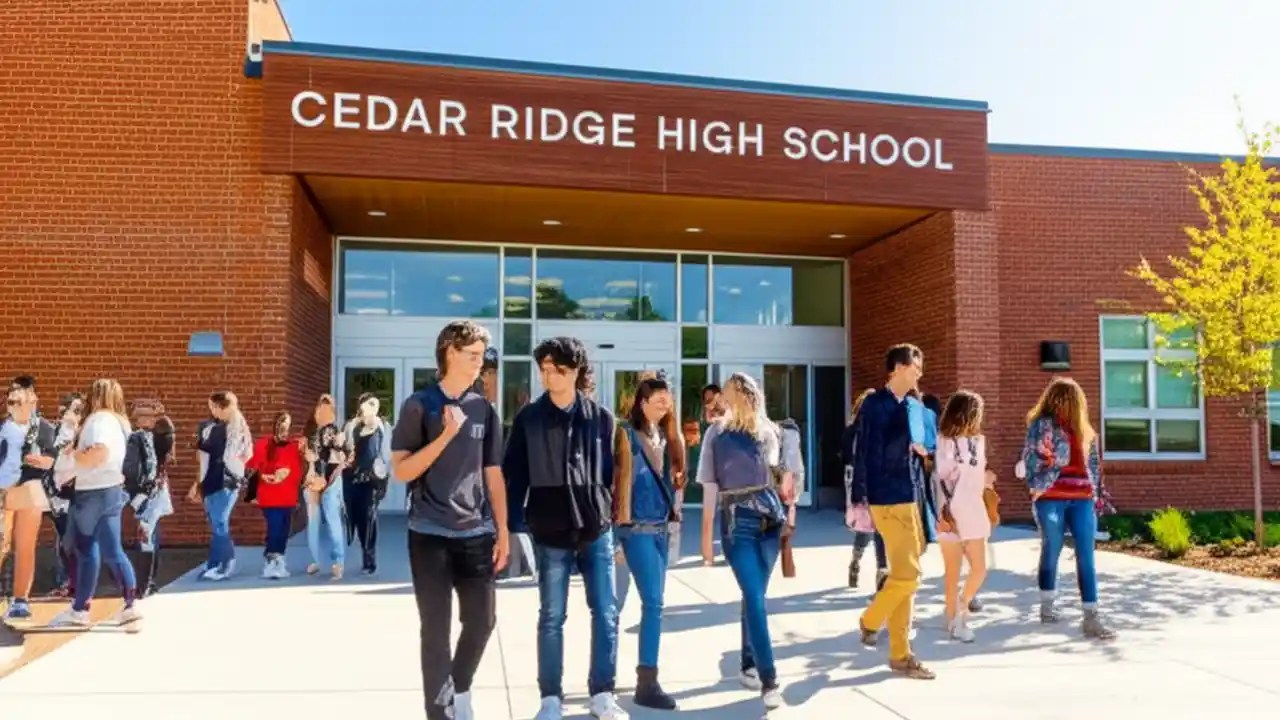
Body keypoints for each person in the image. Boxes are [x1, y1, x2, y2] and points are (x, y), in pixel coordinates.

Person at [391, 320, 510, 720]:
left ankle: (459, 687)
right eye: (473, 354)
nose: (481, 362)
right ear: (449, 353)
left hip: (476, 532)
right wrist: (443, 437)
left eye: (482, 355)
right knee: (436, 633)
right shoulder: (418, 405)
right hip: (428, 534)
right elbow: (402, 471)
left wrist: (504, 531)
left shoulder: (485, 409)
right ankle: (439, 713)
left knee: (482, 622)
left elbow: (493, 473)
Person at [504, 336, 624, 720]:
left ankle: (603, 692)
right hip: (549, 528)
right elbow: (514, 475)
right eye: (543, 368)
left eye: (555, 368)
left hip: (596, 527)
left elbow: (609, 475)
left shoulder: (601, 417)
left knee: (606, 611)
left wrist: (610, 518)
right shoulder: (528, 419)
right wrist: (513, 525)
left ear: (574, 371)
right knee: (552, 616)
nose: (547, 375)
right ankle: (550, 698)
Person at [697, 372, 795, 712]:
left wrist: (789, 515)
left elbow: (781, 481)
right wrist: (706, 537)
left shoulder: (769, 431)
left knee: (754, 597)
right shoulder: (716, 433)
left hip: (769, 520)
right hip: (736, 521)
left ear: (746, 395)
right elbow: (709, 486)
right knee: (754, 597)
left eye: (729, 391)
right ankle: (770, 681)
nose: (723, 398)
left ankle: (747, 664)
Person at [849, 344, 935, 680]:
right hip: (886, 498)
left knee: (905, 577)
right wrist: (860, 496)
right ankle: (871, 620)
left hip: (911, 496)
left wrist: (922, 447)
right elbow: (867, 453)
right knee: (910, 576)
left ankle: (901, 655)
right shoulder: (875, 405)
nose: (919, 372)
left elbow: (921, 451)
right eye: (916, 365)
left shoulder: (914, 406)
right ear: (898, 368)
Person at [1021, 377, 1116, 641]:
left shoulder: (1085, 430)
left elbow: (1094, 465)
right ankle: (1048, 605)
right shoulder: (1043, 425)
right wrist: (1037, 484)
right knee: (1052, 547)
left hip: (1082, 498)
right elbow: (1033, 457)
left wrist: (1097, 493)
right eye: (1065, 399)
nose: (1068, 404)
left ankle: (1091, 616)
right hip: (1051, 496)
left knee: (1087, 554)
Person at [611, 376, 684, 710]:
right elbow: (611, 485)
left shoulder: (667, 439)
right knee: (624, 607)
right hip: (634, 531)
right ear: (641, 402)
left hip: (659, 532)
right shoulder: (625, 435)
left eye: (667, 398)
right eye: (657, 398)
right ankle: (621, 681)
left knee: (653, 606)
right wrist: (614, 538)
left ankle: (644, 680)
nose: (664, 402)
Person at [48, 379, 141, 628]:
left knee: (86, 550)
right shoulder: (122, 423)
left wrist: (74, 454)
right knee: (113, 550)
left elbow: (99, 451)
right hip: (113, 489)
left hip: (91, 491)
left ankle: (80, 609)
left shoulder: (99, 420)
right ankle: (130, 605)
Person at [932, 390, 992, 643]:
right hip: (952, 509)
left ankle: (961, 606)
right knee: (952, 572)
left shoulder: (978, 441)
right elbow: (943, 475)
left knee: (979, 569)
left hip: (973, 507)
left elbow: (976, 474)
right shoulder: (944, 441)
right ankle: (955, 618)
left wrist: (986, 479)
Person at [1, 377, 57, 621]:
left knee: (25, 545)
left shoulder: (43, 428)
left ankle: (20, 599)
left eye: (19, 400)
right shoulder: (3, 427)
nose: (13, 405)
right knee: (2, 543)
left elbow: (54, 458)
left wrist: (45, 462)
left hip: (29, 488)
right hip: (3, 489)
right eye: (10, 400)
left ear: (32, 400)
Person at [187, 391, 252, 581]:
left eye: (214, 407)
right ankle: (214, 563)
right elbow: (204, 455)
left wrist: (235, 469)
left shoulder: (238, 428)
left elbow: (244, 454)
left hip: (227, 481)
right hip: (211, 480)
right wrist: (197, 483)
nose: (212, 411)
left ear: (224, 407)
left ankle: (226, 563)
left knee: (220, 521)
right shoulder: (212, 427)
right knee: (215, 524)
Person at [246, 411, 305, 580]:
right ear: (276, 425)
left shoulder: (294, 446)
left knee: (284, 528)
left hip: (288, 495)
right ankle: (271, 560)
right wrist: (264, 476)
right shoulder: (264, 444)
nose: (284, 428)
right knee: (275, 527)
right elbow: (253, 466)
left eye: (288, 424)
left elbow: (297, 469)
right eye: (282, 423)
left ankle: (279, 558)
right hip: (270, 495)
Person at [126, 399, 176, 598]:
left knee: (145, 535)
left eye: (149, 415)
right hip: (157, 489)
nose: (145, 419)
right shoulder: (158, 436)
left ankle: (144, 585)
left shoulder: (140, 438)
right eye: (142, 416)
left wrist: (136, 491)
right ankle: (148, 581)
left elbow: (133, 469)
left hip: (148, 491)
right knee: (150, 535)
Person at [343, 394, 393, 575]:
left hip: (372, 480)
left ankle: (369, 559)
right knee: (355, 517)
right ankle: (360, 542)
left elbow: (386, 454)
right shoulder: (352, 426)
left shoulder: (383, 428)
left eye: (374, 405)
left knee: (369, 517)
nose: (371, 409)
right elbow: (347, 449)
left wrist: (383, 474)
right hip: (351, 478)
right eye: (368, 405)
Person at [842, 388, 886, 589]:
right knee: (878, 530)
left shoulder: (852, 430)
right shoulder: (872, 431)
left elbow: (845, 458)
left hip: (861, 485)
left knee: (867, 530)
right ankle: (881, 572)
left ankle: (856, 562)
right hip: (872, 485)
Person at [302, 394, 347, 580]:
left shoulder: (336, 432)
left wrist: (339, 449)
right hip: (312, 479)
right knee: (313, 521)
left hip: (331, 479)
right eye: (321, 407)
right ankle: (315, 560)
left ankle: (338, 562)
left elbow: (342, 457)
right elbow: (306, 455)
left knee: (332, 519)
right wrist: (309, 463)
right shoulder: (309, 432)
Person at [44, 393, 83, 597]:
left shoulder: (83, 435)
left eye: (79, 411)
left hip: (75, 493)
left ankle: (74, 584)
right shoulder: (54, 431)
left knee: (72, 542)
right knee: (62, 541)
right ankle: (66, 582)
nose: (76, 415)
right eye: (73, 410)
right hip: (56, 495)